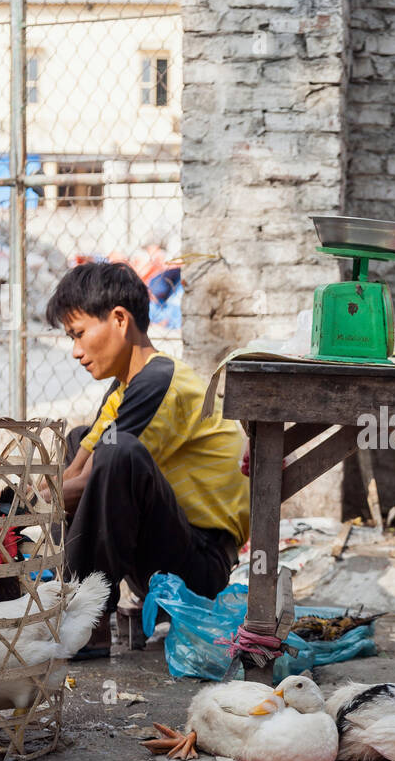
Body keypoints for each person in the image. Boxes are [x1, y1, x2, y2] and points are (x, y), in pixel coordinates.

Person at [44, 262, 250, 658]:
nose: (75, 351)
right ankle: (73, 597)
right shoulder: (125, 386)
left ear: (119, 320)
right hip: (162, 558)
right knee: (78, 441)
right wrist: (12, 502)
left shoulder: (159, 381)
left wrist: (12, 513)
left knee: (120, 454)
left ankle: (89, 620)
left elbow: (86, 484)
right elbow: (74, 470)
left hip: (200, 569)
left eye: (80, 334)